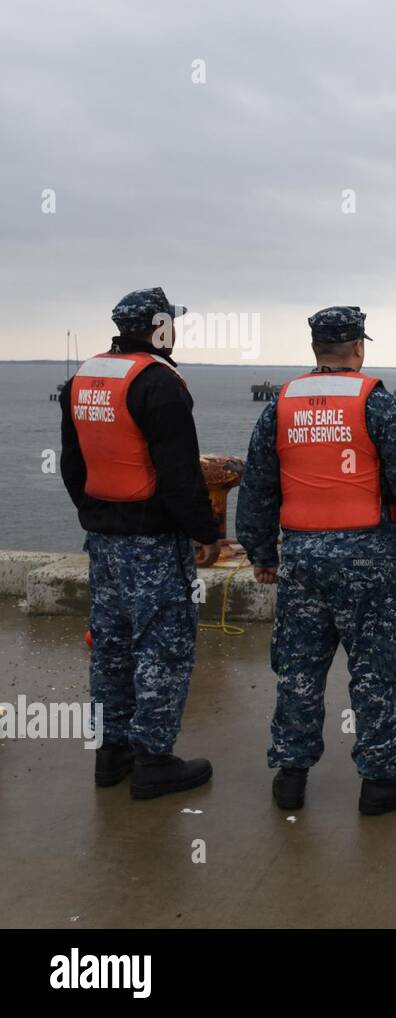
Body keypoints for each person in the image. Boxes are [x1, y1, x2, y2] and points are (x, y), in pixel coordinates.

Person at [236, 306, 396, 816]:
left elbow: (257, 489)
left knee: (299, 668)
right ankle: (379, 780)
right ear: (359, 348)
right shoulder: (380, 406)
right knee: (376, 669)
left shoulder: (278, 408)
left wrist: (262, 552)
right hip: (365, 557)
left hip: (302, 558)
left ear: (314, 350)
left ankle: (291, 775)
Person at [59, 287, 220, 798]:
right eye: (171, 323)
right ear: (157, 328)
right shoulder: (159, 384)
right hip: (152, 542)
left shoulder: (82, 380)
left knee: (109, 646)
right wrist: (205, 532)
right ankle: (153, 760)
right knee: (162, 649)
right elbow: (179, 475)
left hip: (103, 539)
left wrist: (94, 513)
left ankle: (112, 755)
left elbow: (72, 464)